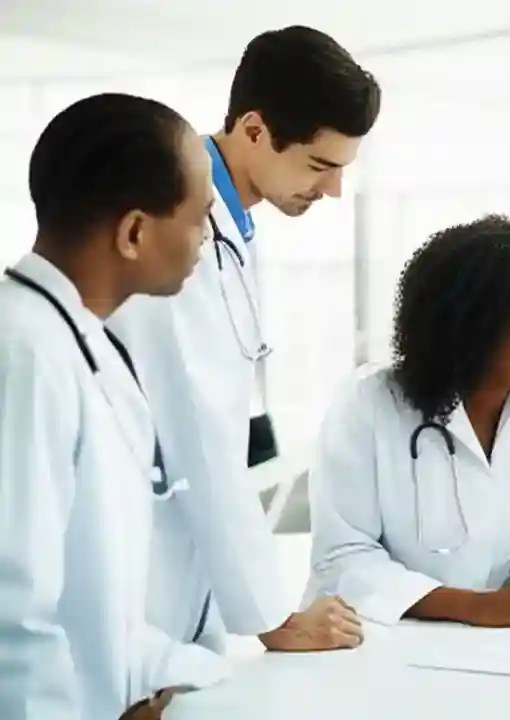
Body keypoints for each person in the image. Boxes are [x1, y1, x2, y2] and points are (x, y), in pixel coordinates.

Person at [108, 26, 381, 654]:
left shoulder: (228, 229)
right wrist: (274, 619)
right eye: (320, 165)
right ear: (254, 131)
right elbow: (201, 434)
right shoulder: (181, 234)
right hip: (138, 578)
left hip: (177, 577)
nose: (334, 190)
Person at [0, 94, 227, 719]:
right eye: (198, 217)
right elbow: (11, 612)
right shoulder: (24, 356)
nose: (206, 237)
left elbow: (97, 594)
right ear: (133, 232)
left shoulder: (83, 343)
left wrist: (160, 676)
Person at [305, 215, 510, 627]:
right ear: (473, 325)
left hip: (502, 647)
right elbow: (343, 558)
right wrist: (474, 606)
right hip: (378, 645)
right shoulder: (370, 404)